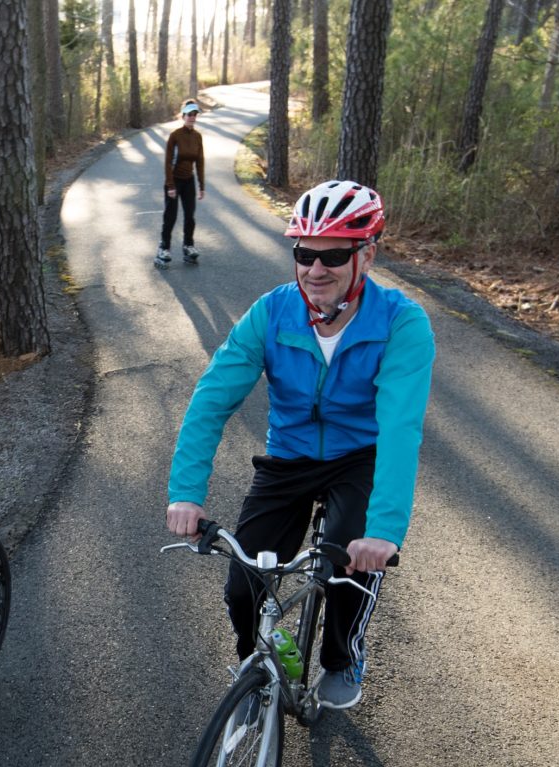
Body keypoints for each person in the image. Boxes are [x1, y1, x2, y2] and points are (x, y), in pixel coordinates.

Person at [165, 180, 434, 710]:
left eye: (334, 254)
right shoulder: (272, 313)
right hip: (288, 456)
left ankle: (342, 656)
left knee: (348, 572)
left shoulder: (402, 324)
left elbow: (401, 429)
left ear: (367, 255)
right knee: (244, 585)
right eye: (305, 253)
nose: (316, 269)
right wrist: (186, 493)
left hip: (360, 458)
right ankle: (254, 663)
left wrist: (382, 533)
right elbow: (211, 401)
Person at [156, 99, 206, 268]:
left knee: (190, 217)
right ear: (183, 116)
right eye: (189, 115)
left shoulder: (197, 136)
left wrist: (202, 186)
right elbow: (168, 163)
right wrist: (170, 186)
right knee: (170, 216)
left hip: (188, 181)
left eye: (194, 115)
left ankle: (188, 246)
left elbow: (200, 162)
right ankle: (163, 248)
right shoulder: (175, 136)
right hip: (174, 181)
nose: (192, 118)